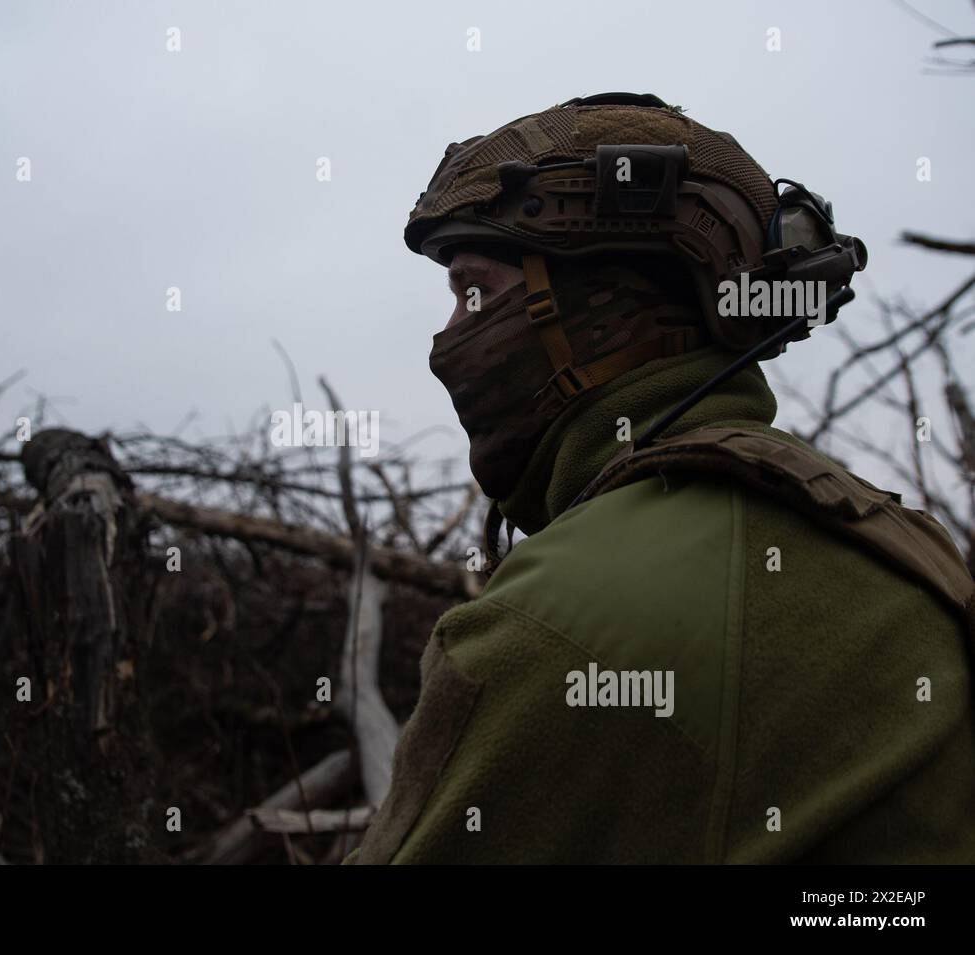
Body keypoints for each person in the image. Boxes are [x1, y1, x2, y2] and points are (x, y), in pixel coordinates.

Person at [347, 93, 975, 864]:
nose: (449, 335)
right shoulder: (906, 546)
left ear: (594, 305)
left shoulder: (550, 629)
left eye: (474, 290)